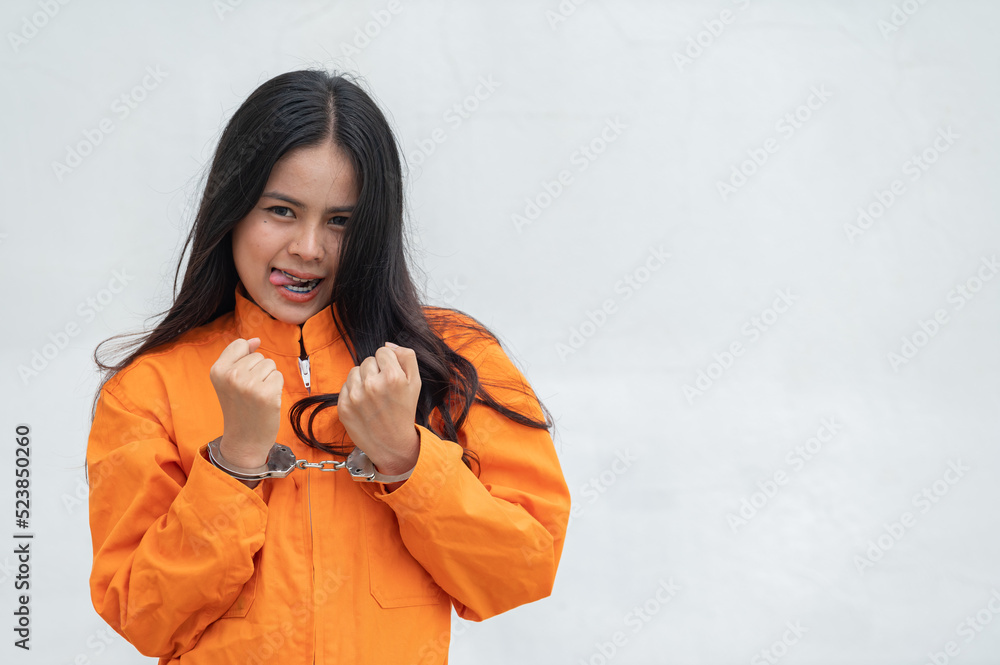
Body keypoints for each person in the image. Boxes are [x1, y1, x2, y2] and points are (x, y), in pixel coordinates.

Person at [86, 69, 571, 665]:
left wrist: (404, 458)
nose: (308, 248)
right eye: (281, 210)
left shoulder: (453, 361)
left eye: (341, 221)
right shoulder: (149, 388)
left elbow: (523, 570)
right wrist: (234, 463)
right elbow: (143, 618)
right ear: (231, 209)